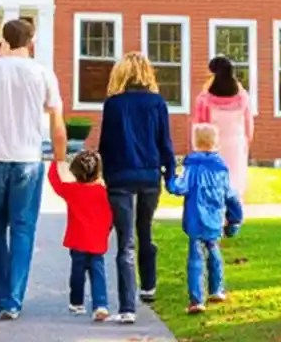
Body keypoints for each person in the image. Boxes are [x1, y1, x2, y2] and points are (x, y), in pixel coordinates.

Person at [0, 18, 67, 322]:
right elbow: (57, 124)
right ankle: (13, 299)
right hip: (28, 159)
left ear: (4, 39)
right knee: (23, 229)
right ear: (31, 40)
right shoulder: (42, 73)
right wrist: (60, 160)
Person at [98, 52, 176, 324]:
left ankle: (127, 307)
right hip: (149, 174)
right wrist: (170, 174)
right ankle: (149, 286)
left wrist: (103, 176)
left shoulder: (113, 105)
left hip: (119, 176)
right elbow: (165, 142)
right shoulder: (157, 103)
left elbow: (105, 145)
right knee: (146, 230)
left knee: (125, 242)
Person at [166, 123, 244, 314]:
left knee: (195, 257)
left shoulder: (192, 168)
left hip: (195, 218)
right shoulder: (220, 169)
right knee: (213, 249)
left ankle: (196, 299)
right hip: (215, 218)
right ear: (216, 143)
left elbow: (178, 187)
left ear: (195, 142)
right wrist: (235, 219)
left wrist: (168, 177)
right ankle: (216, 289)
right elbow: (230, 195)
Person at [47, 149, 112, 322]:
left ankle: (77, 302)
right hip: (97, 239)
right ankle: (100, 304)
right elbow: (111, 214)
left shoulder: (72, 190)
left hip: (77, 239)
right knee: (97, 270)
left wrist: (56, 160)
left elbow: (55, 181)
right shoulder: (103, 192)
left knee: (77, 271)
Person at [191, 57, 255, 197]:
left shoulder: (204, 99)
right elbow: (248, 125)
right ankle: (233, 215)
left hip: (212, 145)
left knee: (213, 185)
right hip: (236, 143)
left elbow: (199, 127)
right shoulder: (242, 97)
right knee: (235, 183)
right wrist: (246, 142)